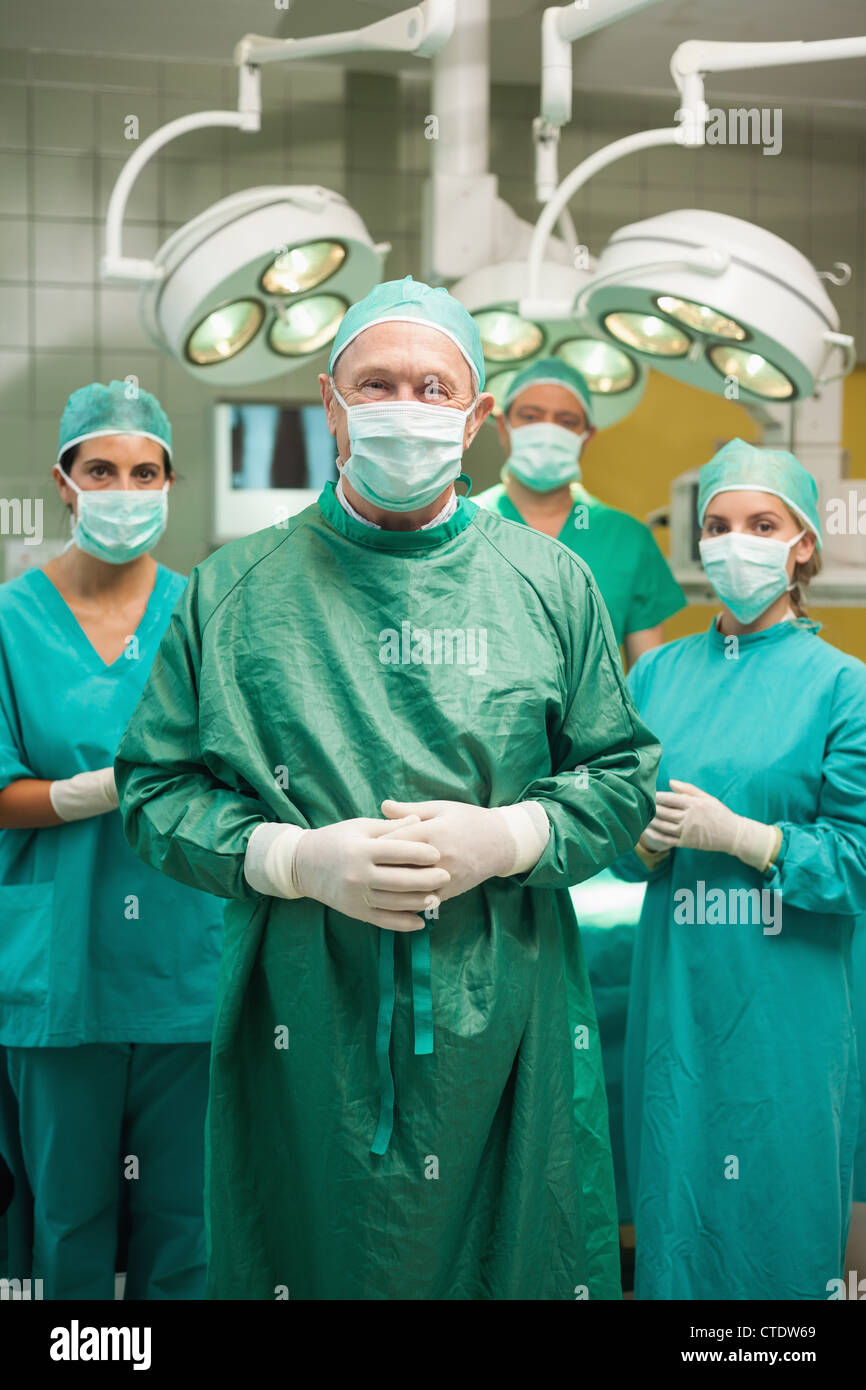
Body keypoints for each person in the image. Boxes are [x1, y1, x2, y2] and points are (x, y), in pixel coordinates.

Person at [116, 276, 661, 1301]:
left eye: (430, 386)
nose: (401, 408)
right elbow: (153, 789)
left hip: (504, 1001)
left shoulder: (551, 584)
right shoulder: (235, 590)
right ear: (330, 401)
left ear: (475, 417)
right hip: (304, 1006)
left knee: (509, 1251)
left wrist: (508, 837)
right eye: (376, 384)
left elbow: (622, 774)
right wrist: (290, 857)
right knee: (312, 1249)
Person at [613, 438, 866, 1300]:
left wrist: (749, 839)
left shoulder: (842, 687)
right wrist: (645, 842)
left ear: (802, 545)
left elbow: (859, 862)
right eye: (718, 525)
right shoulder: (655, 677)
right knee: (677, 1209)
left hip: (788, 1007)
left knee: (783, 1214)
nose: (735, 543)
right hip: (680, 993)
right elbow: (619, 844)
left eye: (762, 524)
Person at [0, 381, 224, 1300]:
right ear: (64, 481)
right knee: (68, 1218)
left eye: (144, 471)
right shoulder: (11, 621)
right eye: (102, 469)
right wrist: (94, 792)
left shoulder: (208, 614)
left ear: (171, 482)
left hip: (186, 964)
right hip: (61, 967)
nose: (124, 489)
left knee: (189, 1219)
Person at [477, 357, 685, 667]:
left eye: (566, 421)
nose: (547, 431)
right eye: (531, 416)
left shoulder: (627, 539)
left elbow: (647, 677)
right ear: (504, 427)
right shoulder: (465, 525)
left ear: (587, 437)